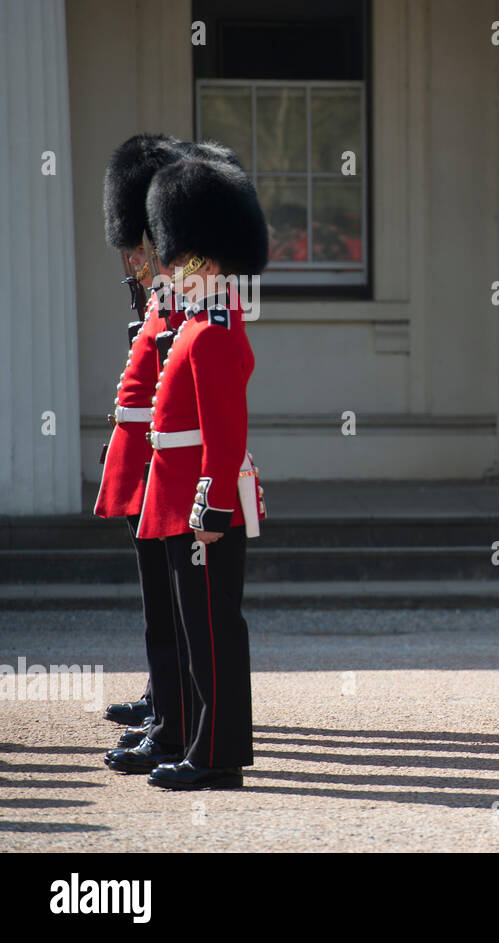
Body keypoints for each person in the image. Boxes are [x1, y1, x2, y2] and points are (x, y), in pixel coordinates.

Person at [134, 155, 268, 790]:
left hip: (202, 505)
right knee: (197, 634)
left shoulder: (211, 329)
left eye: (181, 258)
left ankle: (215, 757)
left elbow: (223, 431)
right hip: (183, 494)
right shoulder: (196, 322)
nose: (169, 270)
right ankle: (203, 745)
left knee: (212, 636)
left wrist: (212, 509)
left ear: (209, 263)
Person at [96, 134, 193, 765]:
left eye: (140, 245)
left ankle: (176, 711)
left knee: (175, 599)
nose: (134, 257)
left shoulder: (192, 291)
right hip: (149, 456)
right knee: (161, 597)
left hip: (173, 461)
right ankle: (167, 699)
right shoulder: (160, 287)